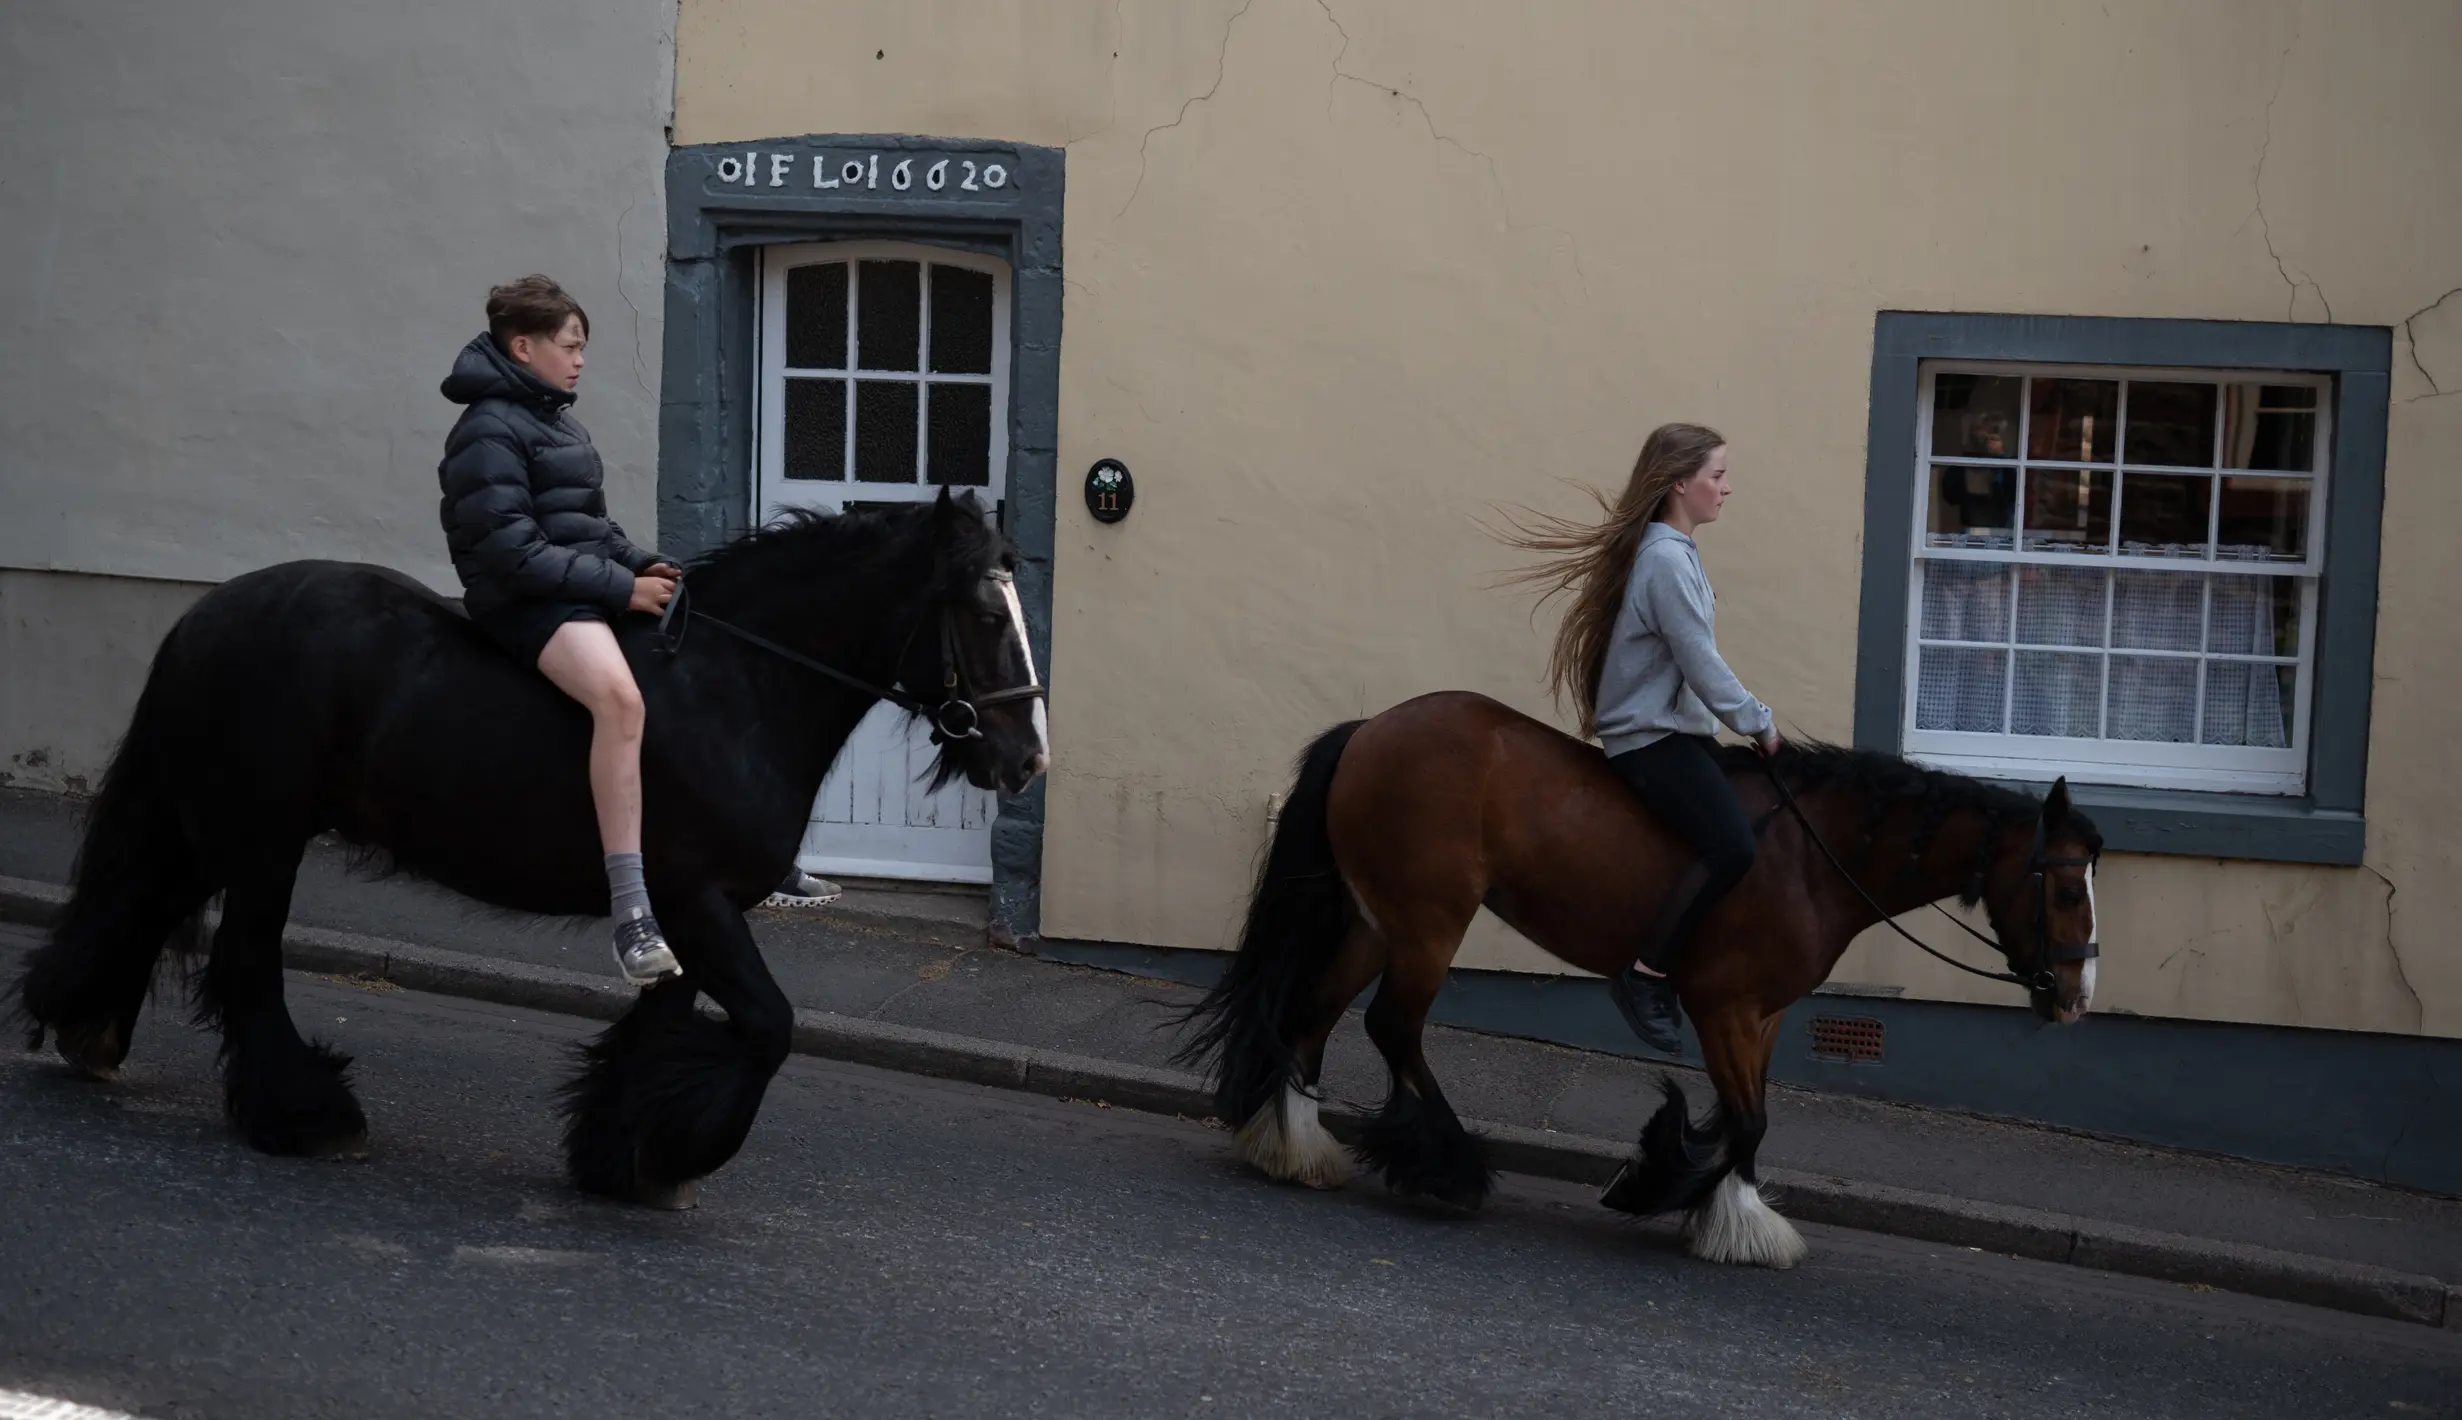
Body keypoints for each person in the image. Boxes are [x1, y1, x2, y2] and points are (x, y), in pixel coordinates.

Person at [438, 275, 684, 986]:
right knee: (621, 701)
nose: (580, 360)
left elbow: (589, 526)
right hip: (523, 601)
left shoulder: (554, 420)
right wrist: (622, 589)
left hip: (571, 587)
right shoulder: (489, 427)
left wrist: (645, 565)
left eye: (582, 347)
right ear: (524, 346)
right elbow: (510, 551)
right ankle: (631, 913)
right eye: (569, 346)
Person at [1503, 422, 1780, 1053]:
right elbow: (1701, 664)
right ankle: (1644, 975)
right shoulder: (1663, 560)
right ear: (1681, 483)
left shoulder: (1673, 554)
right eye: (1717, 475)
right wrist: (1759, 724)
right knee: (1733, 847)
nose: (1727, 489)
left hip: (1675, 732)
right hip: (1652, 741)